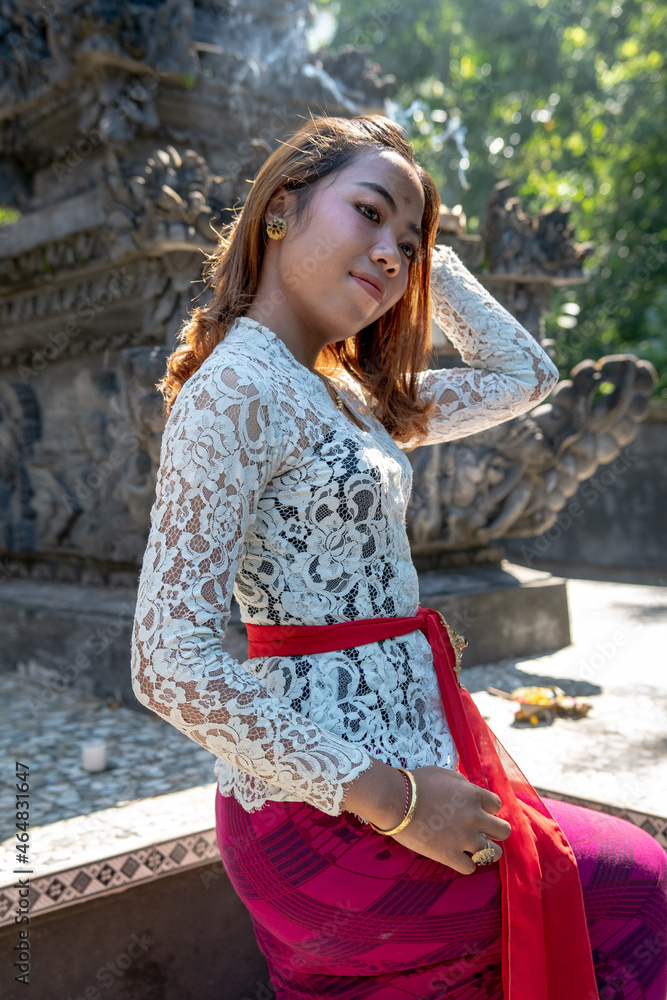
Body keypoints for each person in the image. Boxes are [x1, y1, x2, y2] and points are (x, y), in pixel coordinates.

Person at [131, 115, 667, 999]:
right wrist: (398, 802)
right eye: (367, 213)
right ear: (280, 210)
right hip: (325, 813)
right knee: (636, 889)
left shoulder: (346, 397)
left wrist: (433, 251)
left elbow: (522, 375)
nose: (390, 254)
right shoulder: (234, 389)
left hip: (402, 771)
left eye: (406, 243)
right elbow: (169, 663)